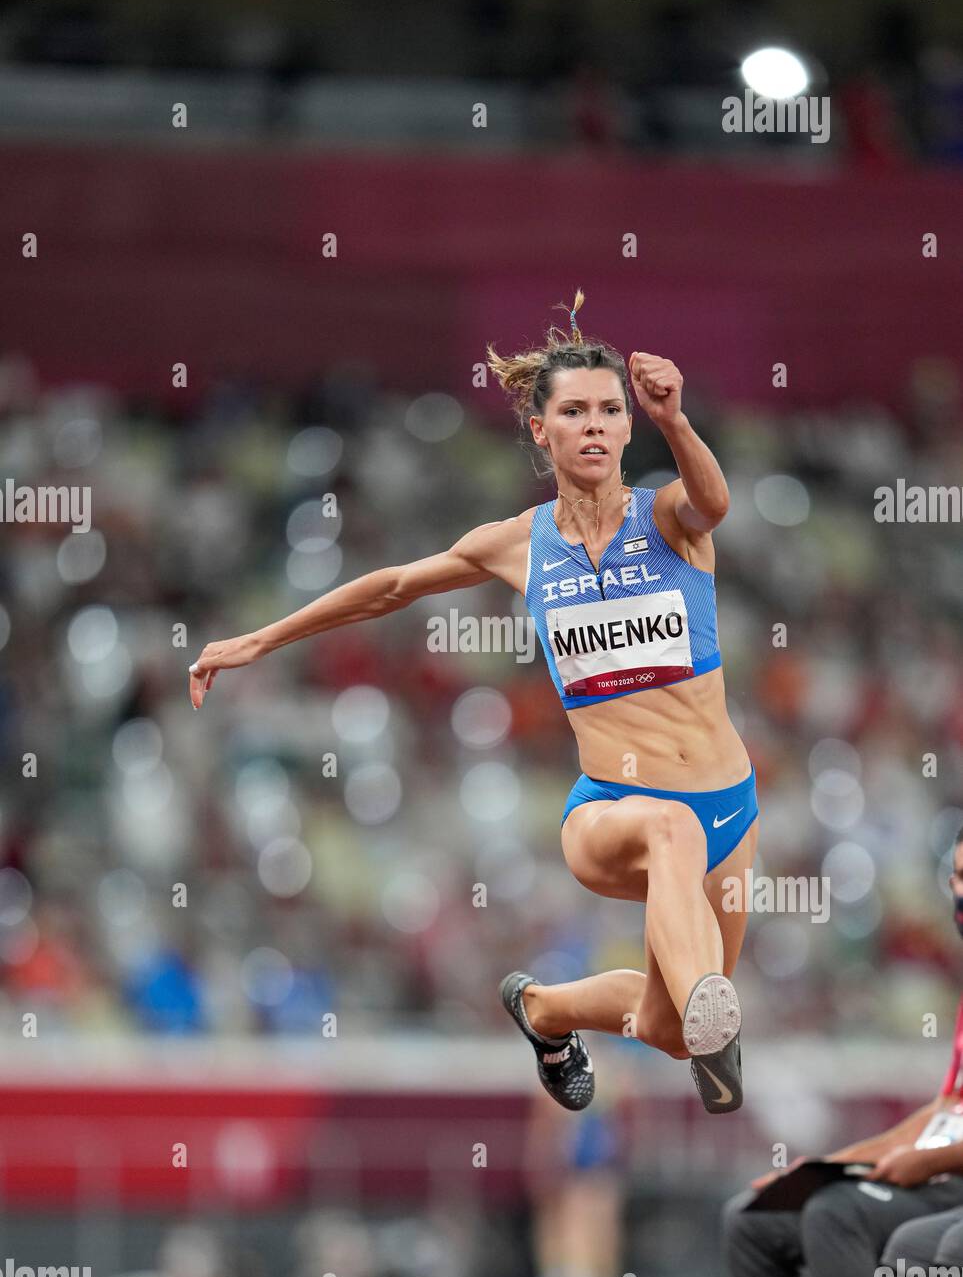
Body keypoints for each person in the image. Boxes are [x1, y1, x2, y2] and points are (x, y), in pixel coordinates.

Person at [187, 290, 759, 1115]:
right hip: (614, 809)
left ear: (628, 426)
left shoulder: (667, 519)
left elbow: (713, 503)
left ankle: (544, 1010)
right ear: (541, 430)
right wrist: (256, 641)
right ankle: (710, 1007)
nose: (595, 425)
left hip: (728, 809)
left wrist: (676, 420)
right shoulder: (518, 545)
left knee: (672, 1029)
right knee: (674, 859)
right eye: (574, 412)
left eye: (609, 410)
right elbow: (389, 588)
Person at [721, 826, 963, 1277]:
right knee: (750, 1220)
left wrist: (932, 1162)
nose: (958, 890)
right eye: (954, 876)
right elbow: (948, 1109)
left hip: (949, 1175)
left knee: (842, 1216)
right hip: (939, 1169)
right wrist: (831, 1164)